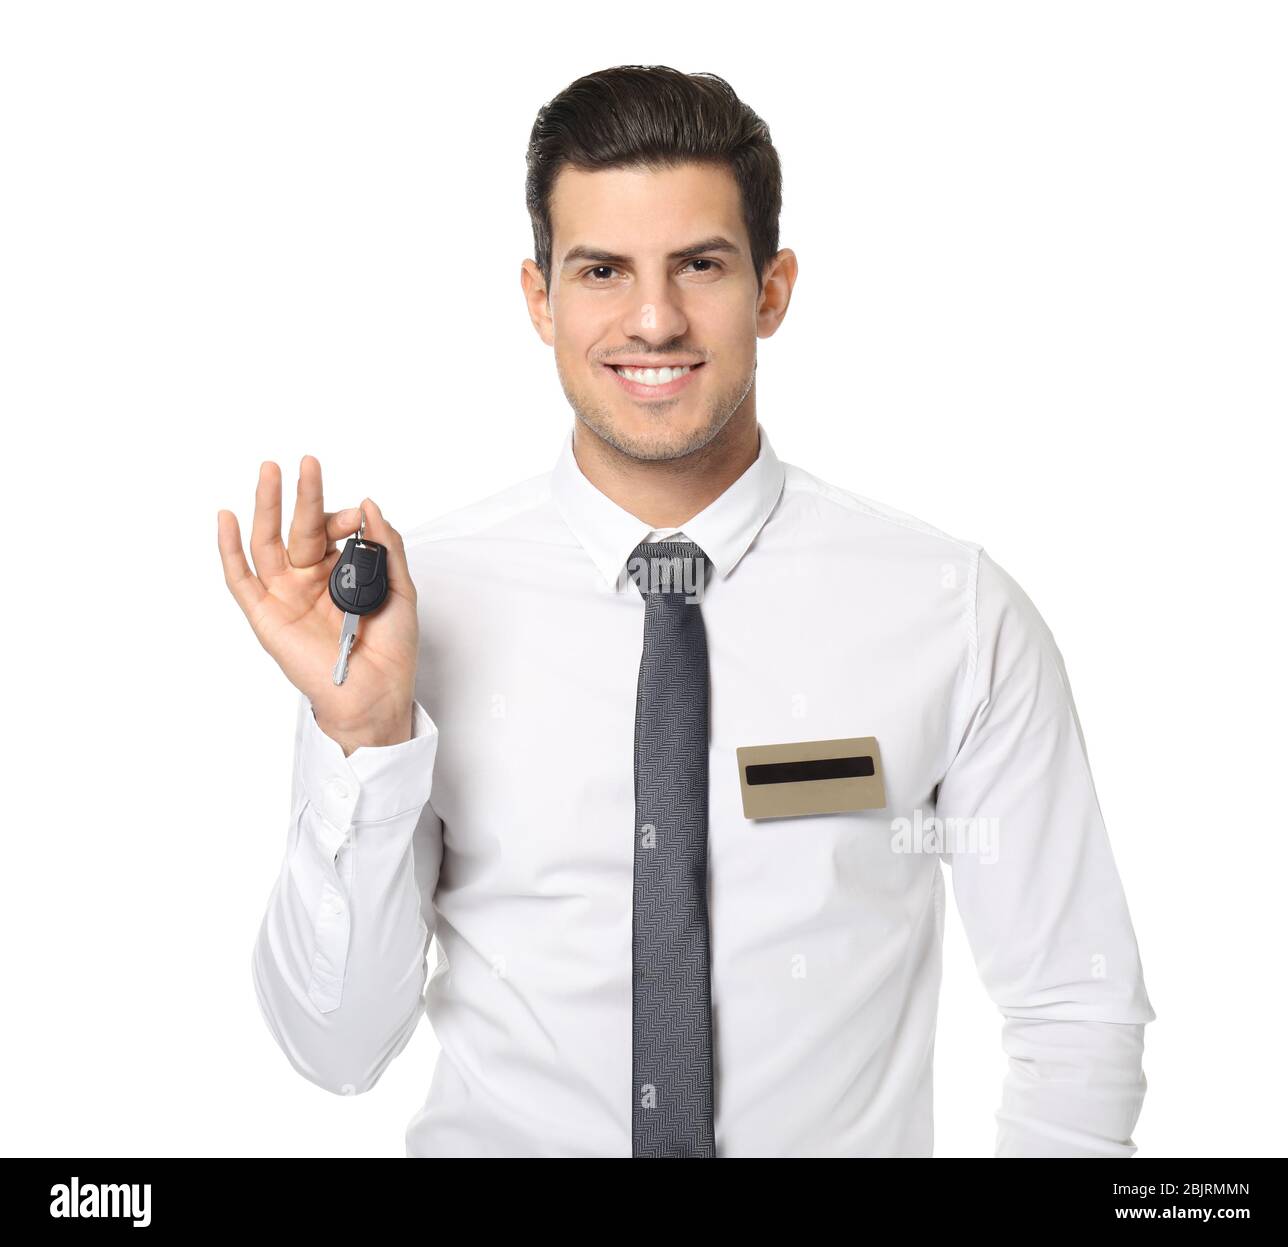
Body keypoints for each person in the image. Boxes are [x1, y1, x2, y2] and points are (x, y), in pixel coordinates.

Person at [217, 64, 1155, 1158]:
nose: (652, 319)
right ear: (540, 299)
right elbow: (333, 1048)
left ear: (772, 288)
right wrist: (362, 739)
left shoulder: (948, 611)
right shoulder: (407, 618)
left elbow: (1073, 1007)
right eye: (602, 269)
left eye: (699, 265)